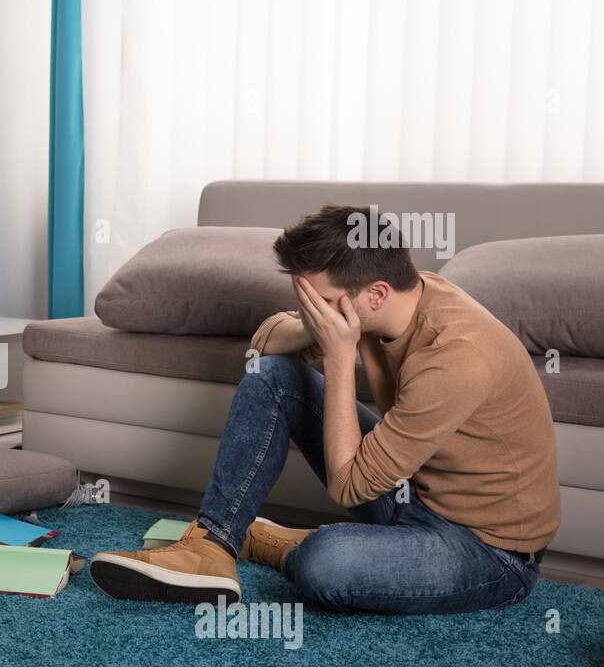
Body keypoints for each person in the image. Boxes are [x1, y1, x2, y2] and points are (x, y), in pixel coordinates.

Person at [89, 204, 559, 614]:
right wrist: (317, 327)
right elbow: (264, 347)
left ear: (375, 294)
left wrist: (338, 354)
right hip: (414, 492)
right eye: (306, 302)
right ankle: (211, 545)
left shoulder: (459, 355)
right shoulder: (395, 297)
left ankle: (285, 544)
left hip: (489, 552)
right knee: (270, 376)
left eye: (323, 303)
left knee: (327, 564)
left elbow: (349, 486)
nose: (315, 313)